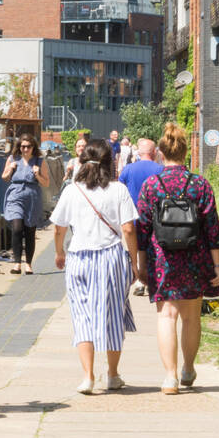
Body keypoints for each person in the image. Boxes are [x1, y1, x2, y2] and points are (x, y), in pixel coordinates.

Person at [134, 124, 219, 395]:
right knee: (192, 317)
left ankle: (169, 377)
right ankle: (188, 369)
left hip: (162, 259)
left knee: (166, 316)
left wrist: (140, 264)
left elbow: (143, 228)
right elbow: (212, 228)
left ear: (161, 153)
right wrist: (217, 266)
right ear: (186, 152)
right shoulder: (199, 184)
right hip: (195, 258)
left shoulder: (152, 185)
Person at [50, 139, 140, 394]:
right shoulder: (118, 190)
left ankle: (88, 377)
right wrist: (134, 263)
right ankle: (112, 375)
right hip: (111, 257)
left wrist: (59, 252)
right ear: (109, 162)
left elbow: (59, 227)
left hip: (78, 256)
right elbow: (128, 229)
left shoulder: (72, 190)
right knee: (113, 316)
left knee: (82, 316)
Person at [2, 132, 49, 274]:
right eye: (23, 147)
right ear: (19, 147)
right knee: (17, 228)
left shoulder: (40, 161)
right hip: (15, 195)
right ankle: (17, 263)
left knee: (30, 231)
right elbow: (4, 177)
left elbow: (46, 183)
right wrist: (10, 169)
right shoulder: (12, 159)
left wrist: (37, 174)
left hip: (32, 197)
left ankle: (28, 264)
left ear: (33, 147)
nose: (25, 149)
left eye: (28, 147)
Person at [119, 137, 163, 208]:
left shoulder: (128, 169)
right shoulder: (161, 170)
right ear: (154, 152)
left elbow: (120, 190)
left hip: (133, 213)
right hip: (154, 213)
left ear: (138, 153)